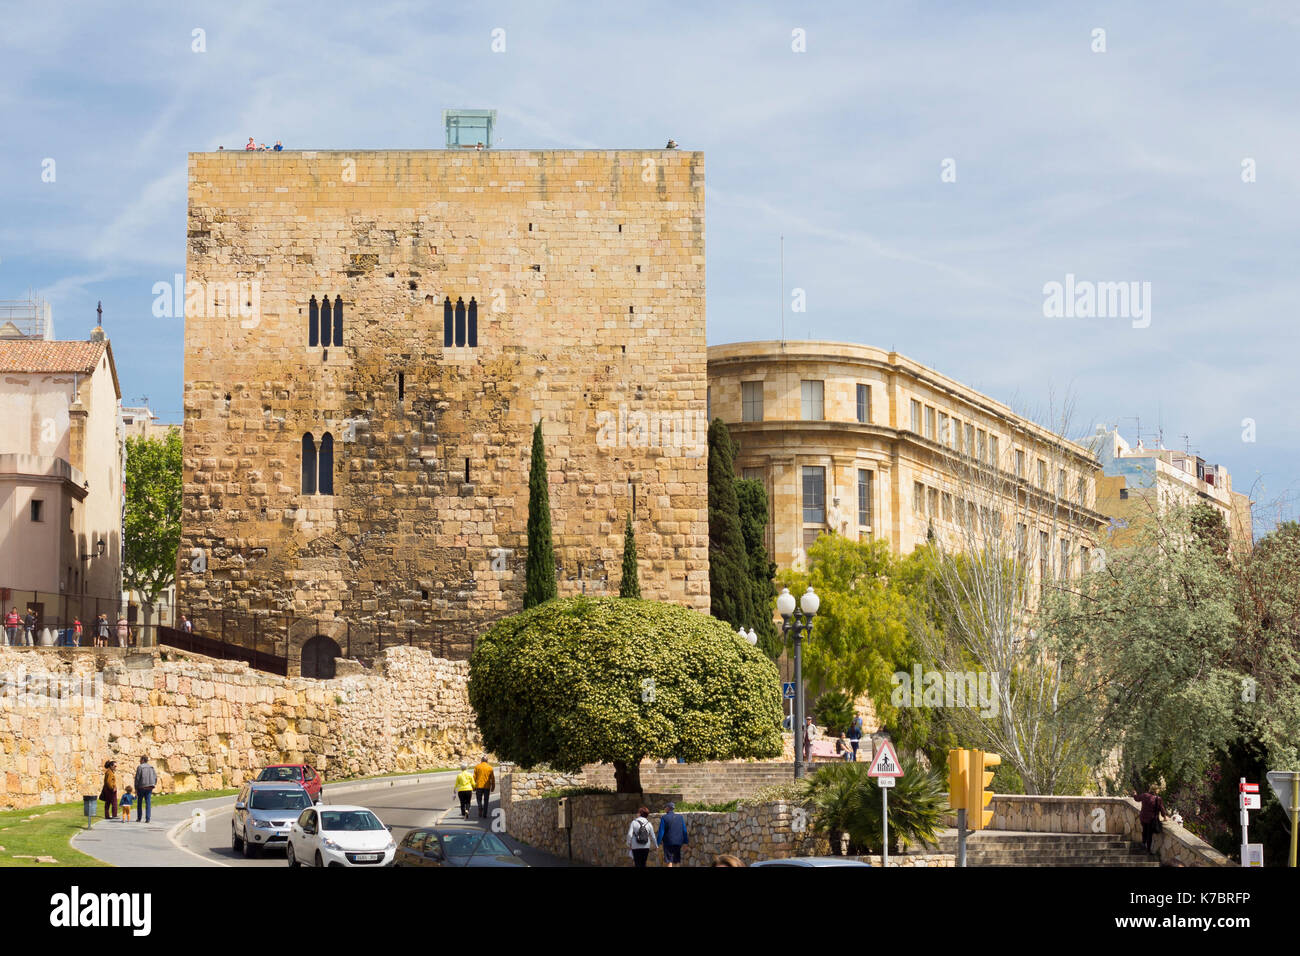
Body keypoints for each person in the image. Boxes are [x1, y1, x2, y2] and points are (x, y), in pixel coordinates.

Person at [1136, 784, 1167, 854]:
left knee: (1144, 830)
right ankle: (1148, 850)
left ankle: (1143, 843)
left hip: (1143, 817)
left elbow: (1137, 799)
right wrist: (1164, 816)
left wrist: (1134, 794)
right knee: (1149, 834)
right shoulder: (1158, 798)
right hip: (1151, 819)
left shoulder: (1144, 795)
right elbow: (1161, 808)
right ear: (1156, 790)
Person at [656, 801, 688, 867]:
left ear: (668, 808)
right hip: (678, 842)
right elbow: (684, 830)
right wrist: (685, 842)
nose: (664, 809)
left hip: (668, 843)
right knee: (677, 861)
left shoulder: (664, 818)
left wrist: (658, 843)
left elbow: (661, 832)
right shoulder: (680, 817)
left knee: (669, 861)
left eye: (665, 807)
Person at [134, 755, 158, 823]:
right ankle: (148, 818)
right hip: (149, 787)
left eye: (140, 759)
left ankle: (139, 818)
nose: (139, 761)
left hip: (141, 787)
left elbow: (137, 779)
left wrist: (136, 788)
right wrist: (153, 783)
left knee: (139, 803)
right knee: (148, 803)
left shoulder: (140, 767)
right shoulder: (151, 767)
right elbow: (155, 777)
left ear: (142, 760)